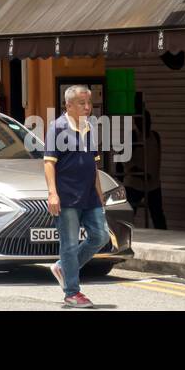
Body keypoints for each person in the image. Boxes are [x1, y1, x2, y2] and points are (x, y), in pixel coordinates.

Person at [44, 85, 110, 308]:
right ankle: (72, 292)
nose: (87, 107)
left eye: (89, 103)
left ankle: (63, 267)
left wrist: (100, 193)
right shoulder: (57, 128)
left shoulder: (89, 127)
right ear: (68, 105)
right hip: (67, 195)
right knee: (70, 244)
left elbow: (93, 164)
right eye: (82, 103)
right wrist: (53, 193)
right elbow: (49, 164)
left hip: (90, 195)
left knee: (100, 236)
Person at [123, 111, 167, 229]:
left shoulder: (155, 137)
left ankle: (165, 238)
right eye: (143, 122)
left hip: (153, 183)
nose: (146, 124)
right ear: (137, 123)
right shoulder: (132, 136)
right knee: (129, 213)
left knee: (158, 214)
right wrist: (139, 172)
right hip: (134, 183)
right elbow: (125, 159)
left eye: (148, 121)